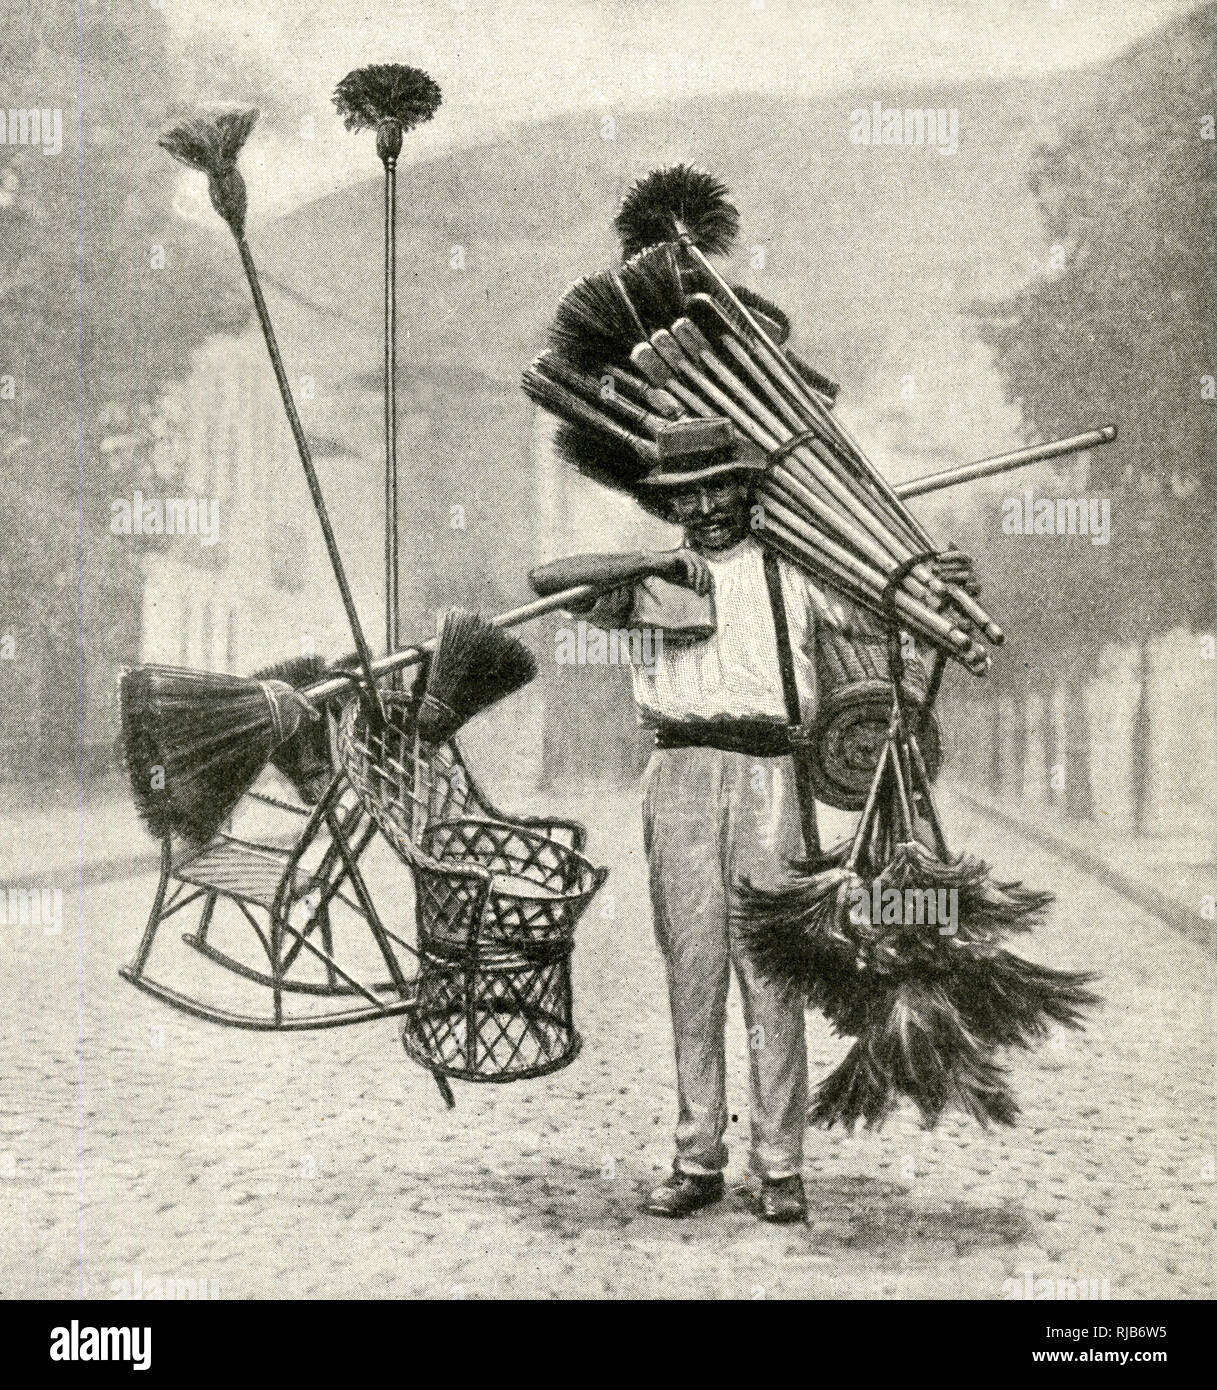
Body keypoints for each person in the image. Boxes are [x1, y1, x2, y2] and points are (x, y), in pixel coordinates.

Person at [531, 432, 978, 1222]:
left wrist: (935, 585)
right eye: (685, 494)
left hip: (771, 773)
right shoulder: (646, 586)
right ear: (669, 503)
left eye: (717, 489)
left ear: (744, 490)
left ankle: (779, 1168)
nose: (703, 507)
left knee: (772, 976)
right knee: (691, 973)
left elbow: (890, 616)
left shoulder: (793, 572)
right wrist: (648, 566)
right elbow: (547, 581)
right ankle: (697, 1159)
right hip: (677, 776)